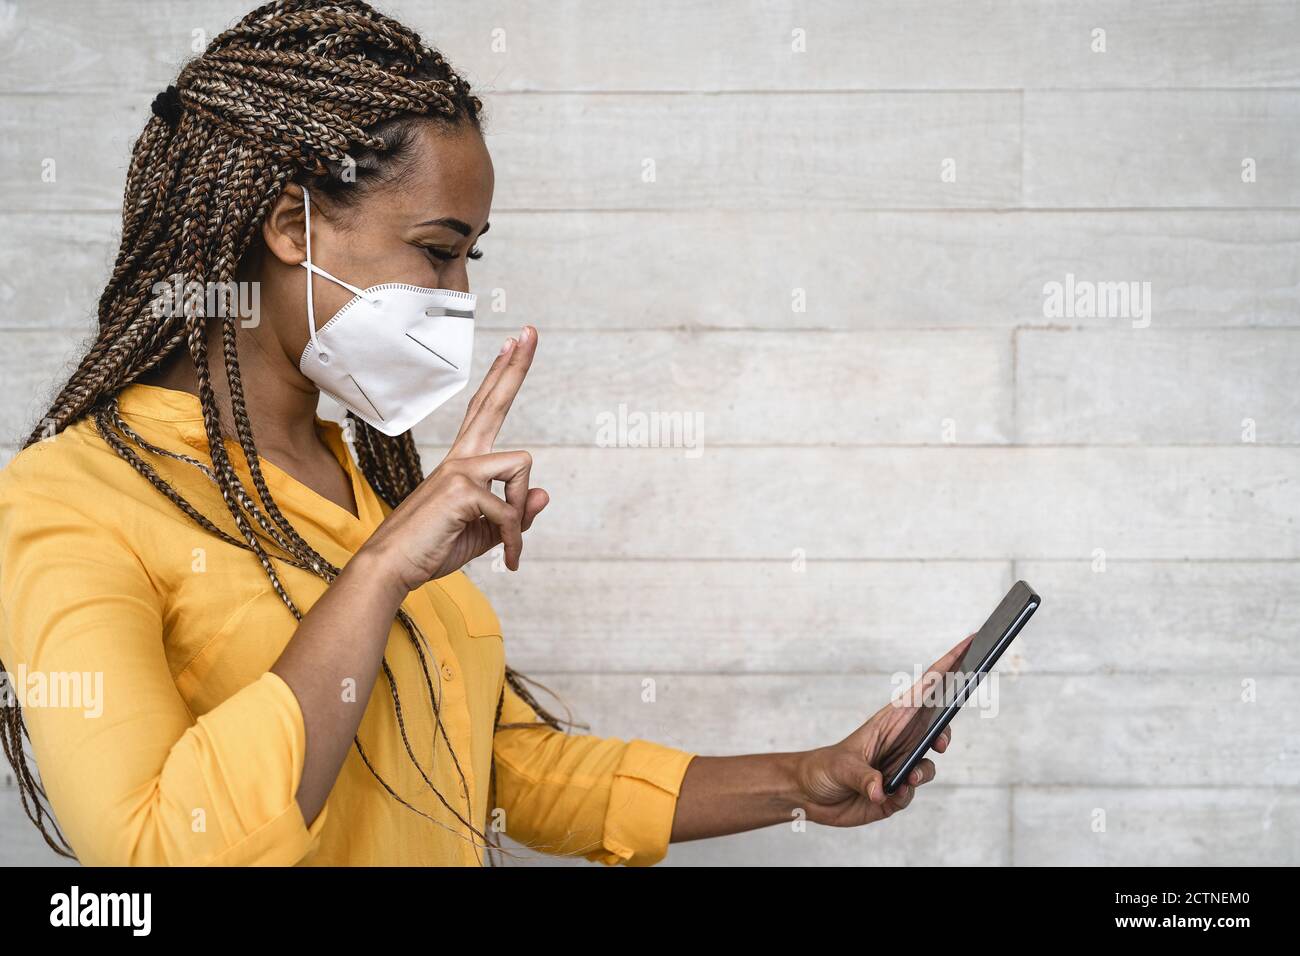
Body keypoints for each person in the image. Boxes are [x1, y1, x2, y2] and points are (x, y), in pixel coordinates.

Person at [0, 0, 963, 866]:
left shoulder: (358, 479)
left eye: (469, 257)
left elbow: (494, 770)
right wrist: (377, 573)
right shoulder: (69, 502)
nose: (458, 297)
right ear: (288, 223)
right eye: (437, 250)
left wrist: (804, 778)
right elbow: (154, 848)